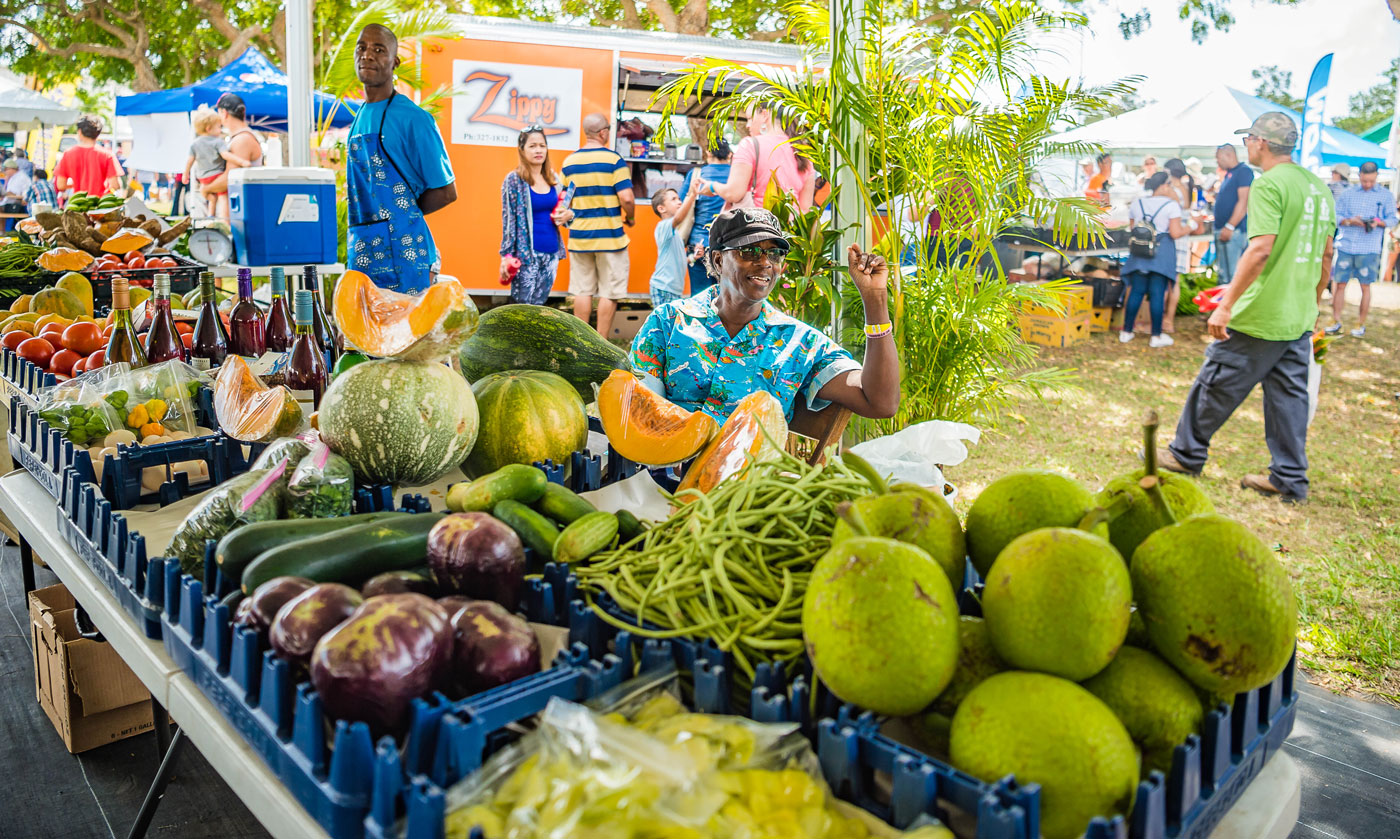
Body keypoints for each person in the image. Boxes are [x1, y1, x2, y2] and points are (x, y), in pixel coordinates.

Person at [1160, 112, 1336, 503]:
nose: (1246, 146)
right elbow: (1327, 254)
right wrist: (1314, 300)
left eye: (1248, 140)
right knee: (1289, 398)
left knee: (1216, 381)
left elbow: (1260, 248)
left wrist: (1225, 306)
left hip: (1261, 312)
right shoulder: (1317, 187)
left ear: (1259, 142)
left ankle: (1185, 454)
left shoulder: (1269, 184)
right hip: (1297, 314)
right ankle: (1290, 479)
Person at [629, 207, 900, 424]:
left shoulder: (800, 344)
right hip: (663, 477)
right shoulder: (667, 323)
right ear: (719, 260)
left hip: (751, 486)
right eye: (749, 251)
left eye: (775, 253)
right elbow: (635, 410)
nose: (765, 262)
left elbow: (880, 402)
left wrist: (874, 300)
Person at [345, 24, 457, 294]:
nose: (367, 55)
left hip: (406, 259)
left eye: (379, 49)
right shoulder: (359, 116)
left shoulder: (415, 119)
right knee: (364, 336)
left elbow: (446, 191)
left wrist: (400, 217)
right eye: (361, 48)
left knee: (409, 336)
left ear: (395, 62)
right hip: (363, 251)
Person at [561, 113, 635, 336]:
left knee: (582, 291)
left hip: (580, 237)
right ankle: (600, 342)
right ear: (603, 132)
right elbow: (627, 198)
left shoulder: (569, 162)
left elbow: (565, 202)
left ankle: (582, 341)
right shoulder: (613, 160)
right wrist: (630, 218)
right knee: (609, 292)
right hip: (611, 238)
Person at [499, 125, 572, 305]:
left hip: (552, 254)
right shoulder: (514, 180)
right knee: (521, 307)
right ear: (522, 150)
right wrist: (506, 256)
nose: (538, 150)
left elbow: (565, 212)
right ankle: (513, 335)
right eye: (532, 146)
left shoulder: (553, 179)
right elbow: (508, 219)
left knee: (539, 306)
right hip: (525, 256)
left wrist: (569, 215)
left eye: (542, 145)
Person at [1325, 161, 1397, 338]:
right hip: (1346, 244)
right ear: (1360, 177)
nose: (1368, 185)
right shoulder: (1348, 193)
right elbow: (1335, 215)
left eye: (1371, 181)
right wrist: (1350, 221)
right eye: (1365, 181)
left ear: (1376, 177)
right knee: (1339, 284)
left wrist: (1378, 223)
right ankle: (1335, 320)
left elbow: (1393, 220)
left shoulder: (1386, 195)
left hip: (1369, 247)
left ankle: (1360, 323)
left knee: (1365, 286)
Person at [707, 104, 814, 212]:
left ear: (764, 115)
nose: (748, 125)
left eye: (750, 119)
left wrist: (712, 186)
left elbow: (733, 193)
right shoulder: (803, 152)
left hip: (757, 225)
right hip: (790, 228)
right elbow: (806, 210)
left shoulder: (750, 145)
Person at [1120, 172, 1185, 348]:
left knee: (1137, 291)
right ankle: (1156, 336)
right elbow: (1175, 233)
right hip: (1161, 253)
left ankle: (1126, 331)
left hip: (1139, 252)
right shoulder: (1171, 206)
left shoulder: (1137, 203)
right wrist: (1192, 227)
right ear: (1164, 186)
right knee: (1157, 293)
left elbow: (1133, 228)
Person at [680, 140, 731, 295]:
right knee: (728, 297)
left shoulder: (696, 174)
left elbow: (682, 205)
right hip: (729, 245)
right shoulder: (736, 175)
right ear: (729, 154)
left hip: (699, 243)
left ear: (708, 153)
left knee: (700, 297)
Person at [196, 93, 264, 208]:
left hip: (244, 210)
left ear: (224, 113)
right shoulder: (238, 138)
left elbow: (230, 178)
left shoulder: (242, 140)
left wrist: (206, 189)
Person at [649, 177, 707, 308]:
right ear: (661, 208)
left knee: (670, 325)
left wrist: (693, 257)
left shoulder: (674, 233)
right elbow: (679, 218)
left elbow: (678, 260)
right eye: (673, 199)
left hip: (672, 289)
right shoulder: (663, 227)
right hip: (664, 287)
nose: (679, 202)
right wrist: (692, 195)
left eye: (679, 199)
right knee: (666, 327)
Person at [186, 109, 249, 220]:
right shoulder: (217, 142)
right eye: (219, 127)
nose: (220, 130)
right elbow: (225, 155)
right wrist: (242, 161)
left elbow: (190, 161)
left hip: (203, 178)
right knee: (223, 196)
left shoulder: (194, 144)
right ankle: (225, 220)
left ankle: (211, 215)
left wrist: (185, 174)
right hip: (217, 175)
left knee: (211, 197)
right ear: (209, 128)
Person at [1212, 143, 1254, 284]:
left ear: (1228, 155)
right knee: (1224, 274)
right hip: (1224, 230)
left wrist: (1230, 226)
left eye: (1218, 158)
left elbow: (1243, 202)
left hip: (1233, 232)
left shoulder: (1243, 171)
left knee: (1230, 278)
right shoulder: (1229, 174)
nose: (1217, 162)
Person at [53, 115, 122, 198]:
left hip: (78, 205)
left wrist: (78, 182)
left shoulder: (68, 154)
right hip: (101, 206)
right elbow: (115, 185)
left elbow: (60, 185)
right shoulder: (107, 155)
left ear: (79, 132)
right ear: (98, 133)